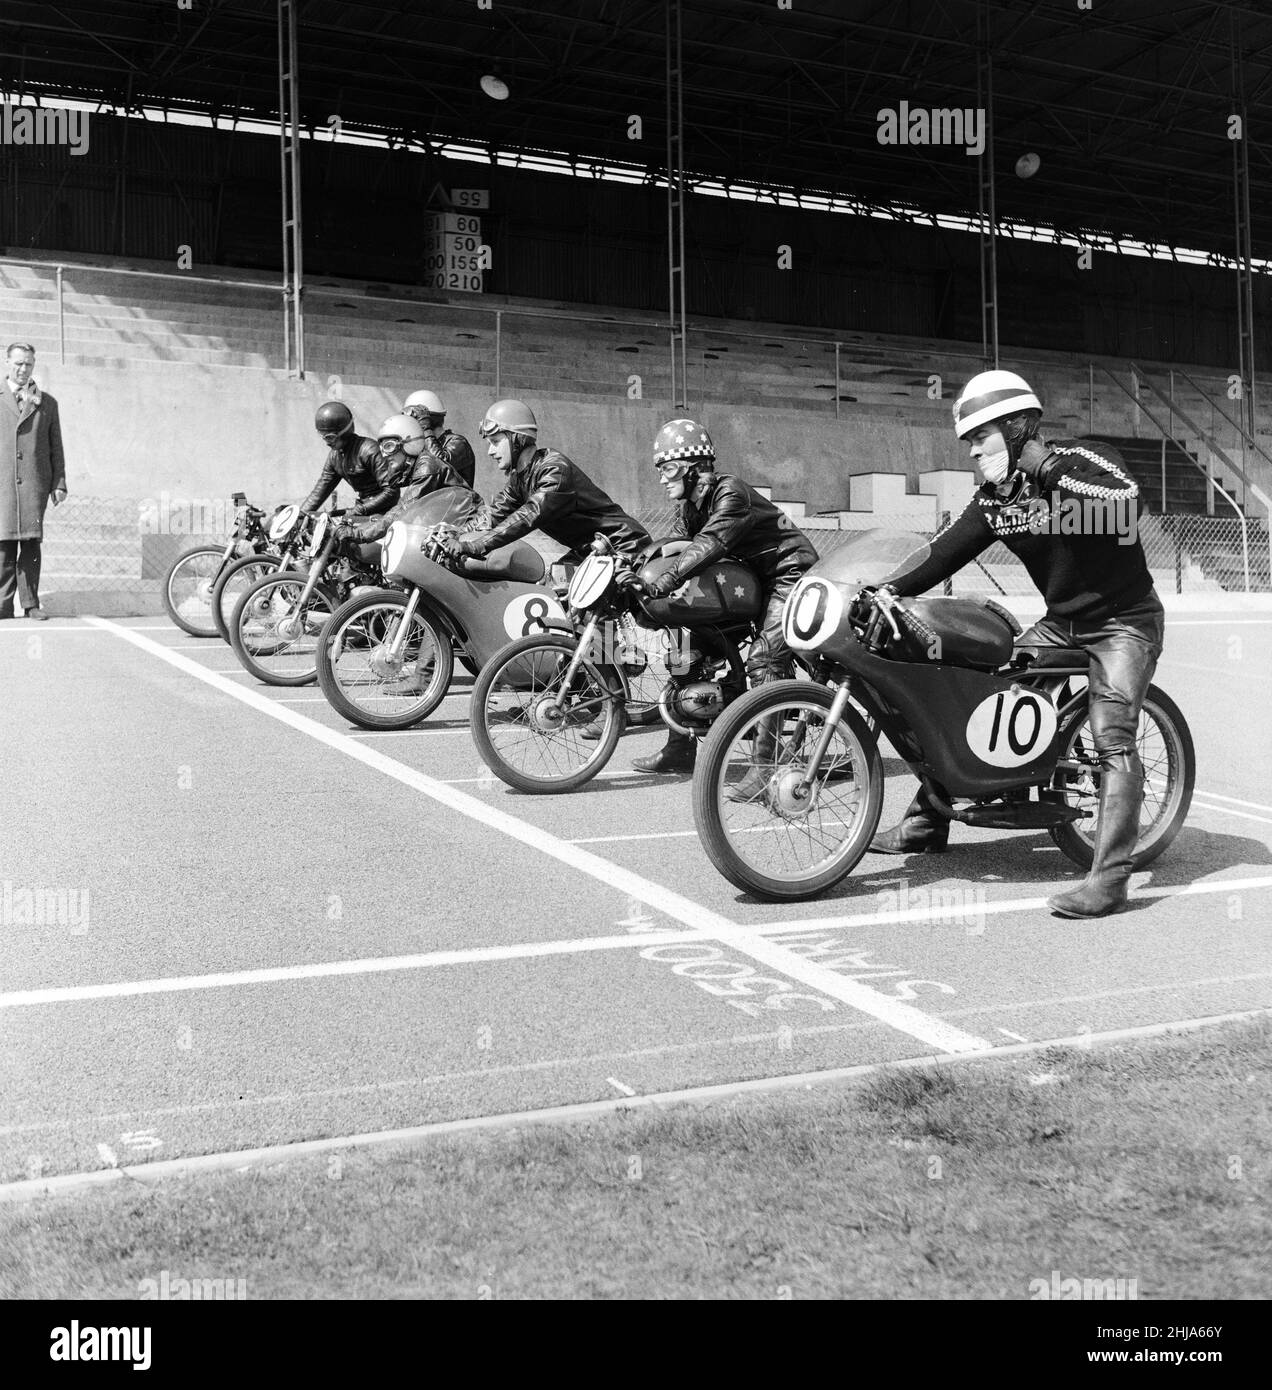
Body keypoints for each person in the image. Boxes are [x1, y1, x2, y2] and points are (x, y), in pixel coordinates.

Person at [867, 368, 1163, 920]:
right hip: (1061, 623)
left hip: (1124, 622)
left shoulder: (1082, 460)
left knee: (1113, 732)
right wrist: (883, 588)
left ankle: (1112, 878)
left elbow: (1127, 506)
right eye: (970, 441)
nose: (973, 450)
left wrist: (1046, 467)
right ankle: (928, 821)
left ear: (1016, 427)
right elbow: (941, 553)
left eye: (981, 436)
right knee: (984, 705)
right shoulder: (997, 500)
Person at [633, 418, 819, 778]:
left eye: (669, 468)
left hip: (788, 574)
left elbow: (710, 543)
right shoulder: (689, 506)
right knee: (687, 652)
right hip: (749, 583)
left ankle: (765, 768)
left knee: (765, 660)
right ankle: (680, 749)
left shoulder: (730, 492)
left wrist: (667, 581)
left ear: (696, 468)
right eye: (660, 469)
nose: (662, 478)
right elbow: (676, 547)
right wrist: (639, 569)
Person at [448, 398, 649, 562]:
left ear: (517, 438)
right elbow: (493, 515)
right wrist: (456, 535)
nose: (490, 451)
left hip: (623, 545)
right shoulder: (520, 478)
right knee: (552, 595)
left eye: (495, 442)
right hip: (591, 550)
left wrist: (477, 544)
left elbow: (529, 516)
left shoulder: (554, 470)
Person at [1, 343, 66, 620]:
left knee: (30, 545)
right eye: (18, 363)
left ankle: (31, 604)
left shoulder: (47, 403)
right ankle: (2, 606)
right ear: (6, 362)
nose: (22, 369)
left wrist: (59, 482)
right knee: (2, 546)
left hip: (33, 483)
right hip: (2, 483)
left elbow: (56, 447)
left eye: (28, 364)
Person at [345, 413, 481, 543]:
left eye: (389, 446)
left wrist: (361, 534)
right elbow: (394, 482)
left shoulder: (427, 466)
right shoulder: (415, 465)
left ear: (409, 442)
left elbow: (403, 510)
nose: (385, 455)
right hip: (452, 527)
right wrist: (394, 466)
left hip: (471, 527)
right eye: (382, 448)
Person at [300, 401, 400, 518]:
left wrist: (358, 510)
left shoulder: (369, 450)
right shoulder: (334, 456)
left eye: (330, 437)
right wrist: (299, 515)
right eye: (323, 436)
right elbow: (322, 487)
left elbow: (392, 492)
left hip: (384, 511)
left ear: (345, 432)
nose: (327, 443)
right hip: (363, 508)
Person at [402, 389, 477, 489]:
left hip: (453, 503)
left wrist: (426, 430)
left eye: (414, 421)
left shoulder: (458, 443)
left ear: (428, 419)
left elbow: (438, 464)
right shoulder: (423, 447)